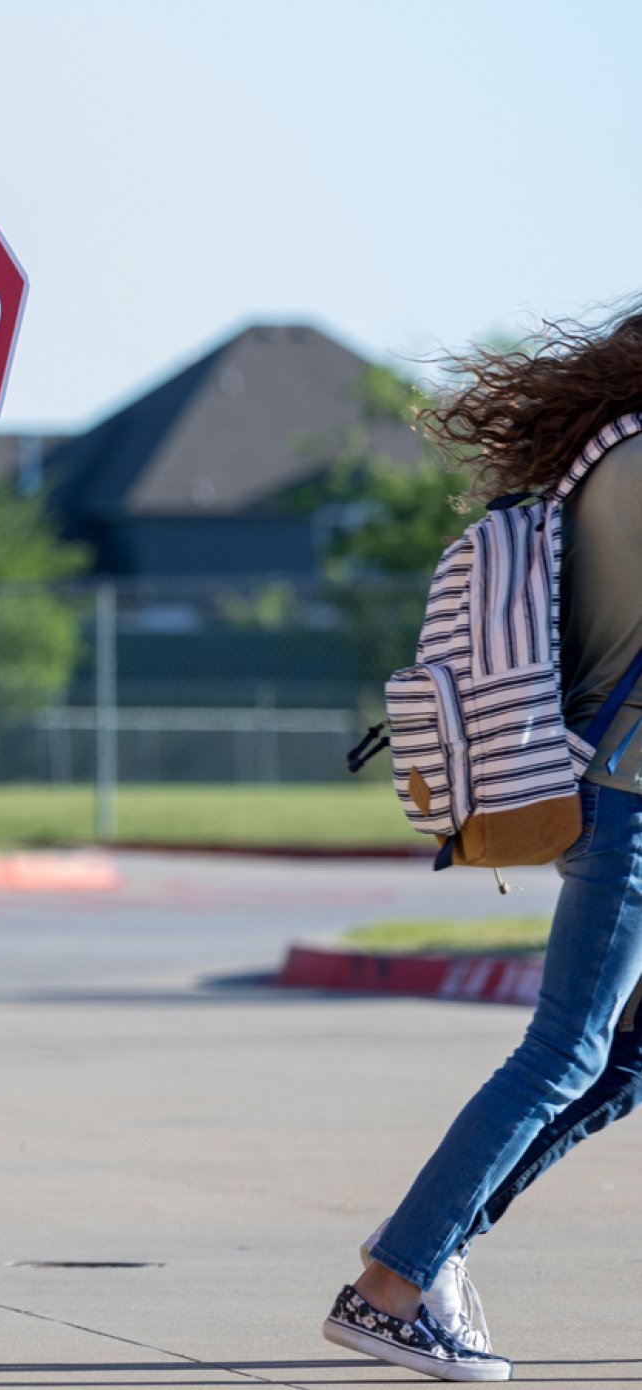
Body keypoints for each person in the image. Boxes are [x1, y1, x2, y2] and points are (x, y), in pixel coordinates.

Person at [324, 309, 642, 1383]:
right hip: (626, 802)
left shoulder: (603, 460)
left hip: (608, 790)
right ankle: (393, 1285)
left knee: (621, 1059)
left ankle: (425, 1240)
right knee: (565, 1051)